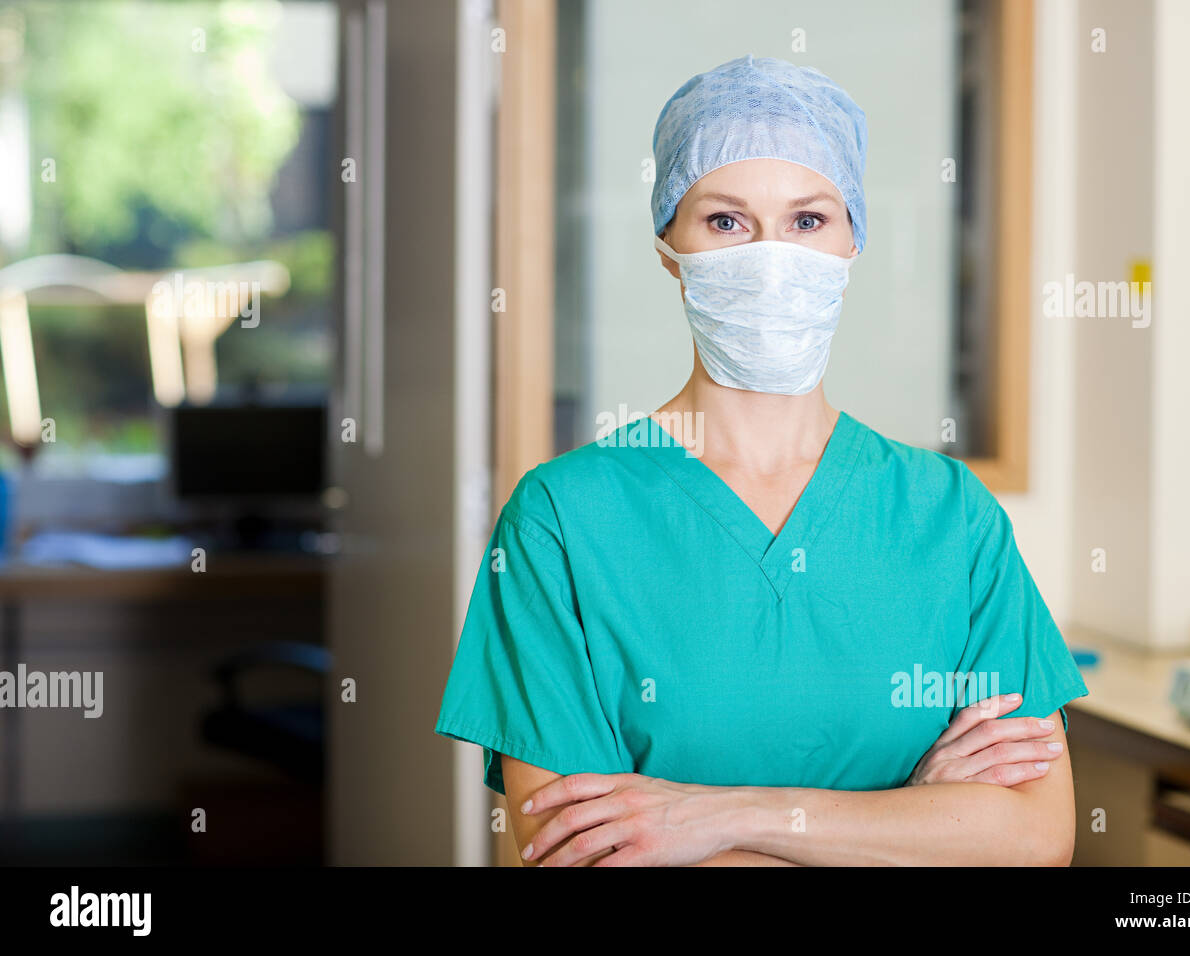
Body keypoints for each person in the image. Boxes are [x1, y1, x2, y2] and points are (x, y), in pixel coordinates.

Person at [435, 54, 1089, 866]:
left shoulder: (950, 515)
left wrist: (719, 819)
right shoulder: (561, 521)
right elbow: (577, 854)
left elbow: (1033, 839)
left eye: (809, 220)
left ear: (854, 241)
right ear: (668, 246)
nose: (771, 257)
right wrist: (912, 821)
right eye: (726, 221)